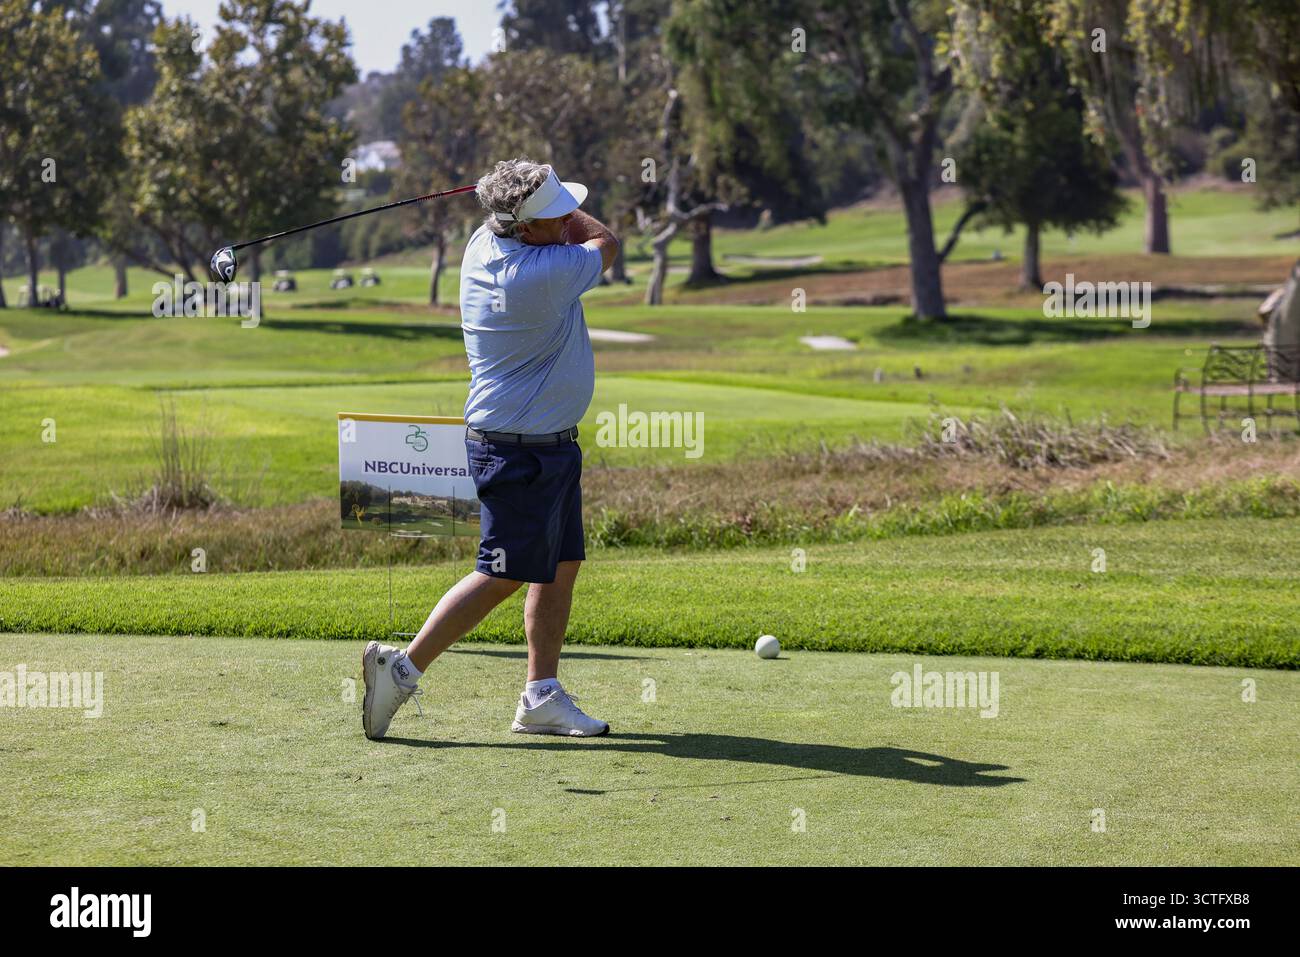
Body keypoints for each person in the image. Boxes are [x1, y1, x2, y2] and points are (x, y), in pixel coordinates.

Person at [361, 158, 619, 740]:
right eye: (554, 214)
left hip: (547, 446)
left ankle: (540, 695)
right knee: (501, 574)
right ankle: (400, 671)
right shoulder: (542, 272)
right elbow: (606, 241)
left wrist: (530, 197)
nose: (564, 220)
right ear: (526, 227)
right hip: (517, 450)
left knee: (559, 566)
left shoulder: (485, 239)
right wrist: (562, 209)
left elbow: (540, 221)